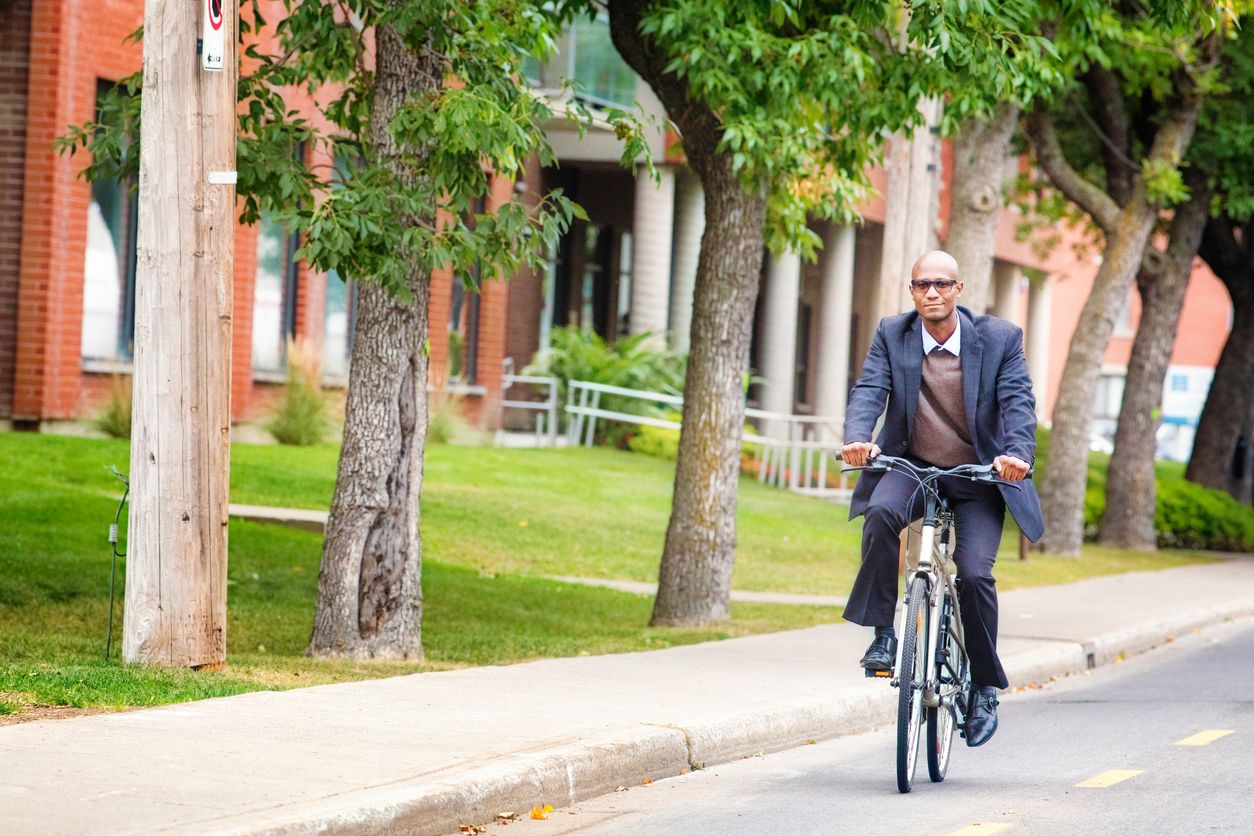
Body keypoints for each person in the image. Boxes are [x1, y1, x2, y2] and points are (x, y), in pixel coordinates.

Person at [839, 251, 1043, 747]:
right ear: (911, 292)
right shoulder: (893, 333)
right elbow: (870, 389)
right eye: (921, 284)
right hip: (914, 466)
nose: (931, 292)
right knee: (882, 513)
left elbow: (1018, 403)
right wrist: (857, 437)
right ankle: (884, 636)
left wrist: (1015, 453)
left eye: (941, 284)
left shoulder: (998, 339)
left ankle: (984, 688)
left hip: (978, 476)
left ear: (958, 289)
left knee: (974, 574)